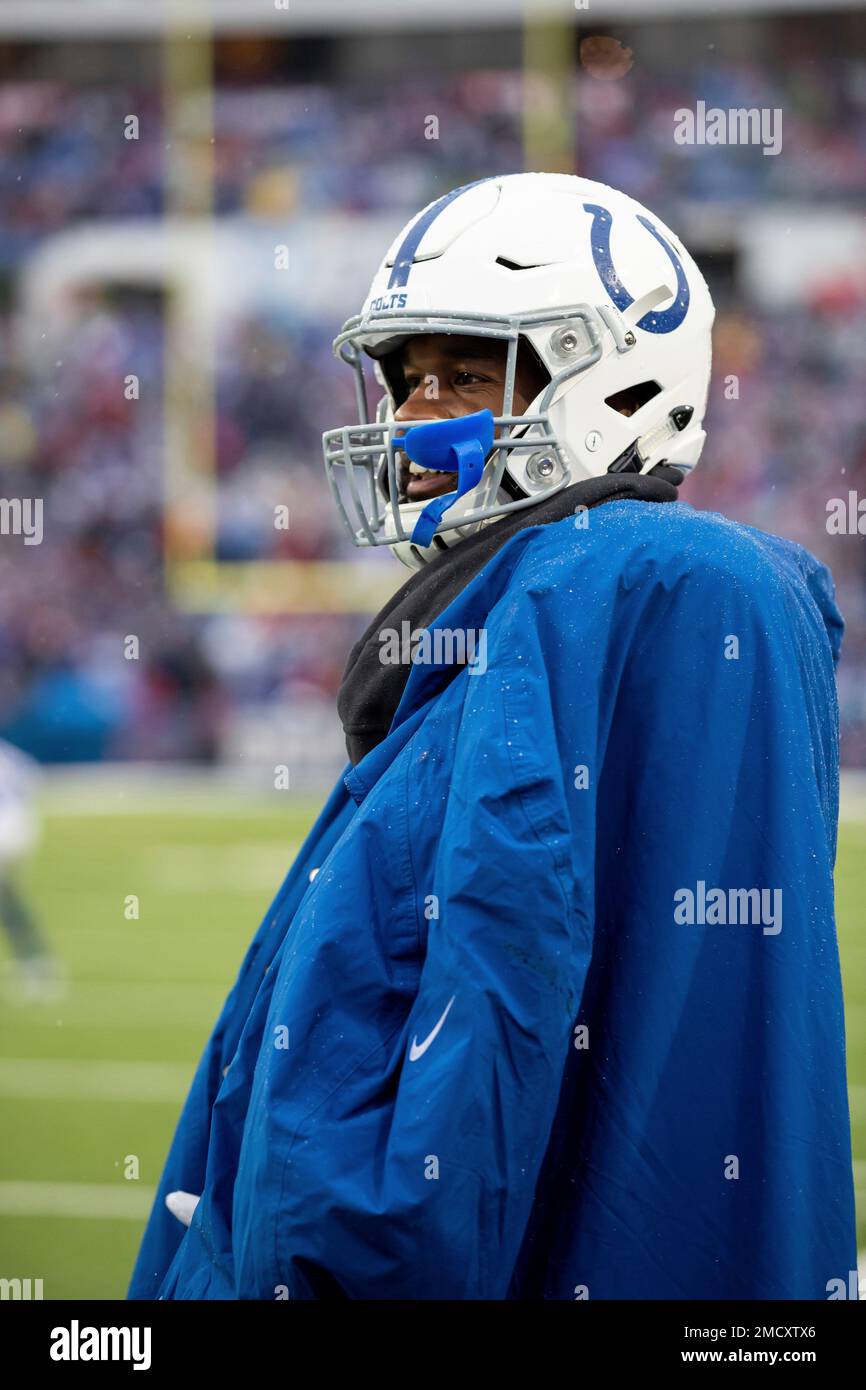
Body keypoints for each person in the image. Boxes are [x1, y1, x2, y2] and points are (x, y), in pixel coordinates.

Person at [130, 173, 857, 1300]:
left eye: (466, 373)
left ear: (611, 383)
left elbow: (487, 1009)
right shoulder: (499, 626)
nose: (414, 420)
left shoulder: (593, 592)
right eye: (406, 380)